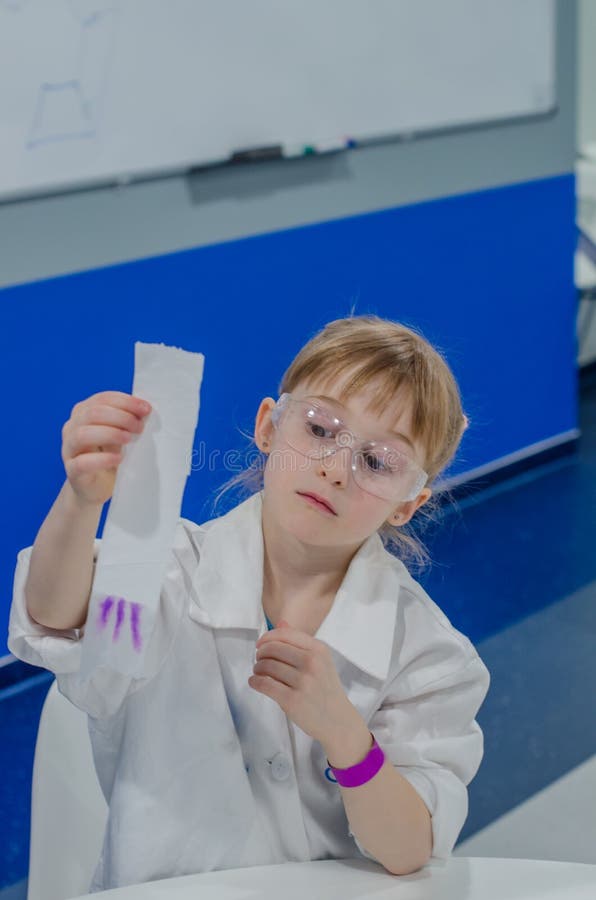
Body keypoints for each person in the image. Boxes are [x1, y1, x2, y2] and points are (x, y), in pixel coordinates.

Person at [8, 315, 490, 892]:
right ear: (269, 427)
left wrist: (346, 738)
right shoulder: (171, 569)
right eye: (319, 429)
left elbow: (410, 849)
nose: (335, 470)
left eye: (379, 462)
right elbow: (58, 618)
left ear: (406, 504)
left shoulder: (430, 654)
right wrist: (81, 499)